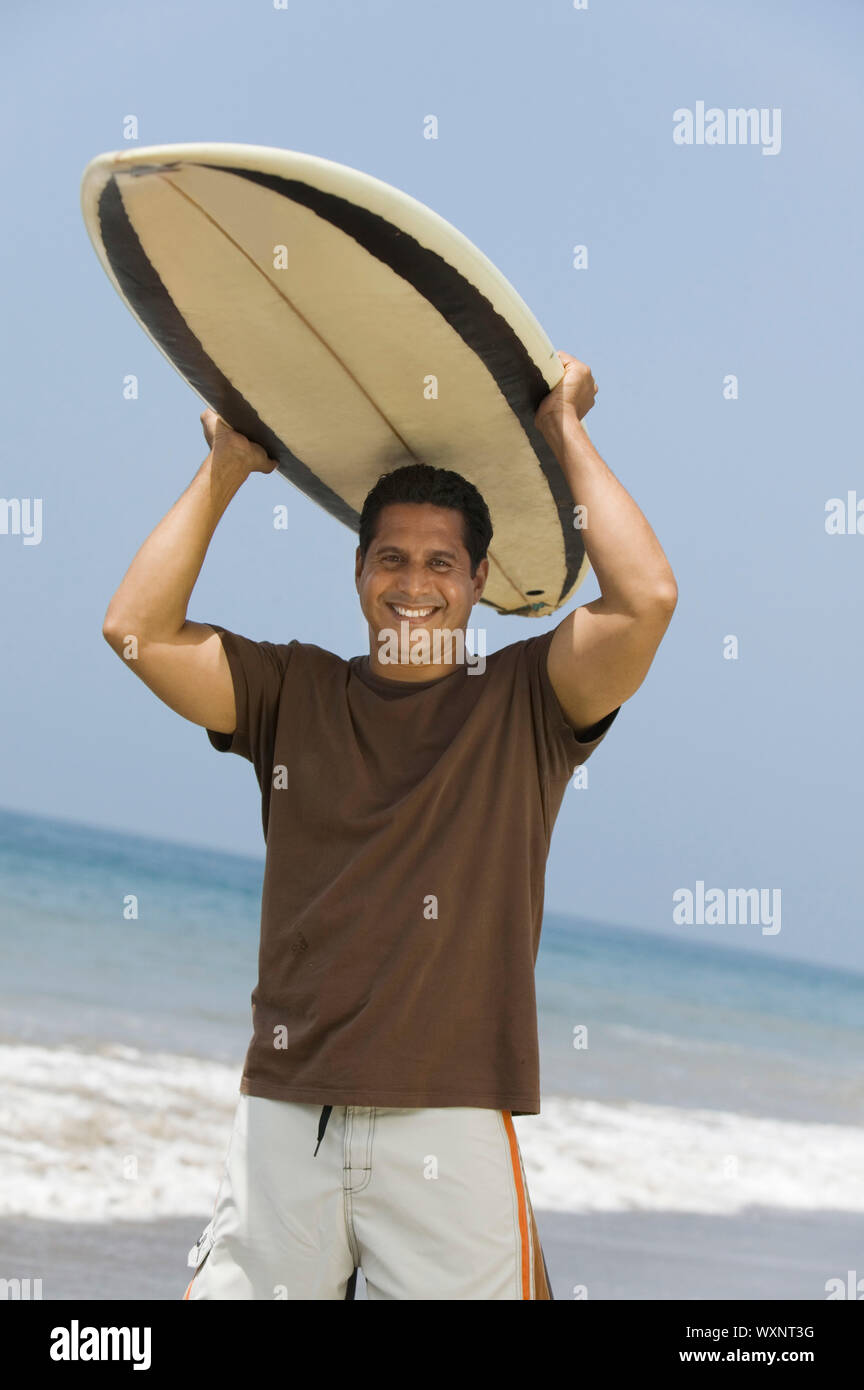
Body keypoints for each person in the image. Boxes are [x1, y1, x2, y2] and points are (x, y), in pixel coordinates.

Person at [102, 352, 677, 1300]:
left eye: (441, 562)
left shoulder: (528, 700)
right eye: (393, 558)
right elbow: (137, 630)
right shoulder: (294, 691)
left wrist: (564, 427)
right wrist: (226, 469)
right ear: (360, 570)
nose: (416, 583)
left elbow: (646, 598)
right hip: (287, 1116)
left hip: (447, 1125)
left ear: (480, 577)